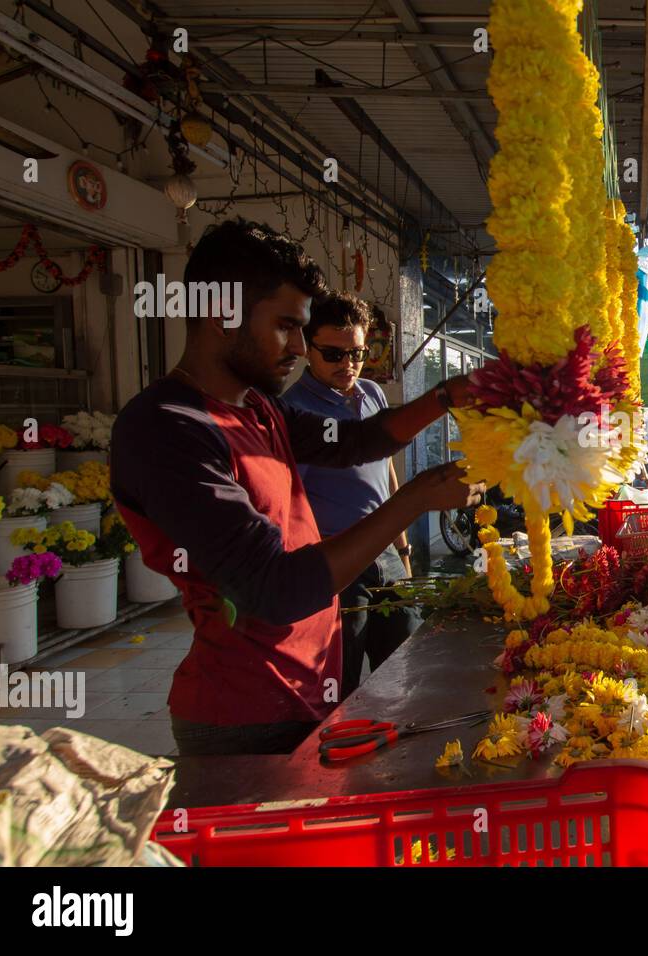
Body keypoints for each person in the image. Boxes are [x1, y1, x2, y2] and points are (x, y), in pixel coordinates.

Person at [110, 219, 485, 756]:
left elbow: (358, 441)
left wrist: (451, 394)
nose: (297, 347)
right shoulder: (167, 429)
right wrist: (415, 501)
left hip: (311, 687)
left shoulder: (258, 407)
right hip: (245, 719)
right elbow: (275, 590)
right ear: (223, 313)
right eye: (286, 326)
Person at [282, 290, 416, 697]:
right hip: (336, 562)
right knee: (343, 679)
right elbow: (287, 500)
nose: (348, 365)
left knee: (406, 663)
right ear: (307, 348)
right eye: (334, 354)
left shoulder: (372, 395)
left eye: (358, 354)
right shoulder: (294, 411)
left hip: (387, 557)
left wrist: (404, 549)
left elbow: (386, 474)